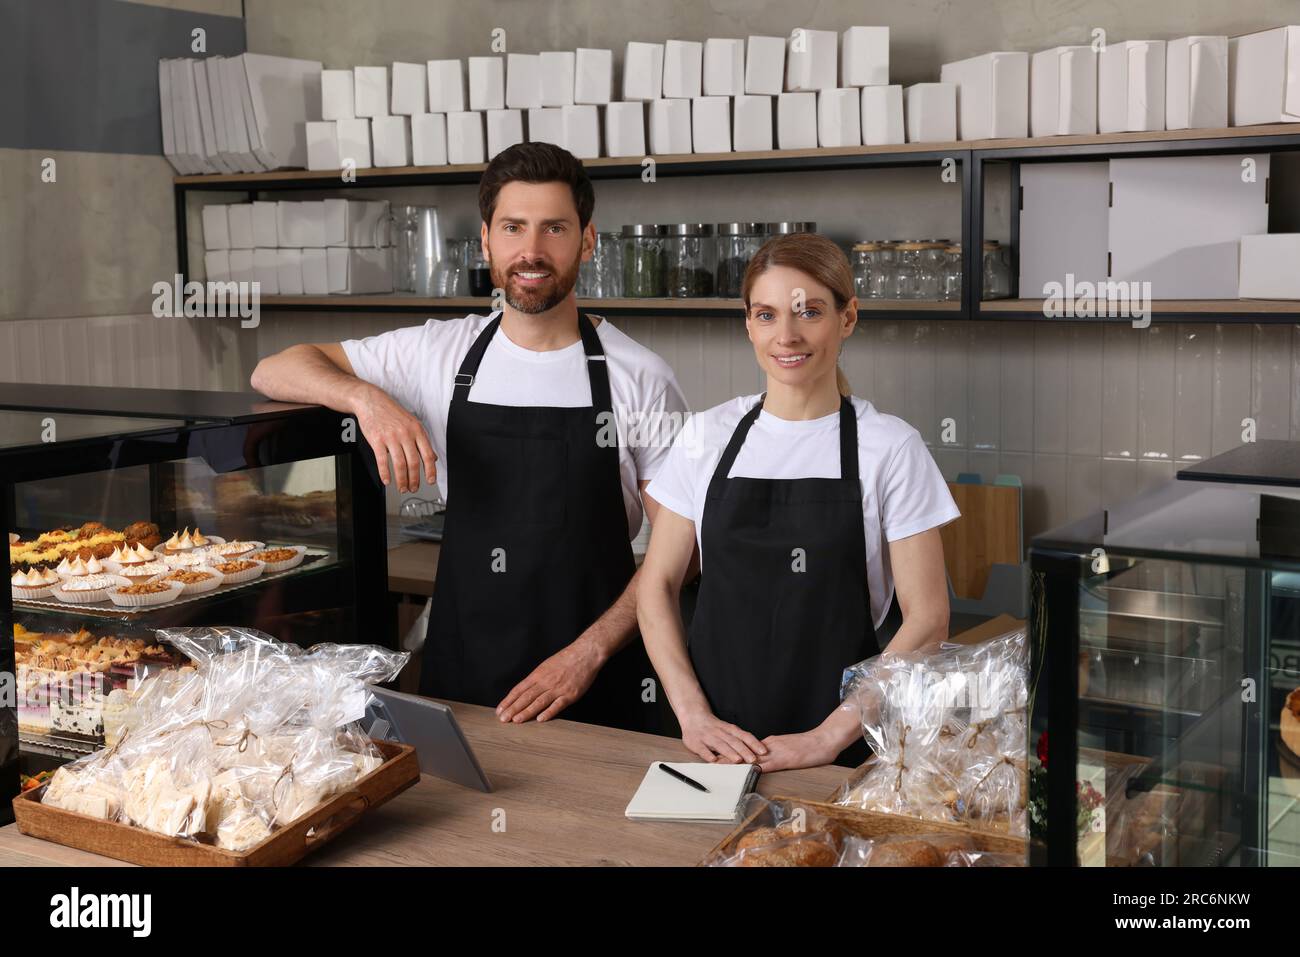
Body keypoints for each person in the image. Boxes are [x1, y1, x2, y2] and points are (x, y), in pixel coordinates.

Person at [251, 142, 688, 733]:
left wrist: (587, 654)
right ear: (486, 240)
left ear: (587, 240)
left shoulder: (639, 376)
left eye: (553, 228)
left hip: (599, 676)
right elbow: (274, 369)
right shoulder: (440, 352)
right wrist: (366, 400)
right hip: (468, 665)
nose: (531, 251)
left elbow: (684, 549)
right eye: (513, 228)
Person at [637, 232, 959, 770]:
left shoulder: (890, 446)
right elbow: (656, 584)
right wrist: (692, 714)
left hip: (840, 743)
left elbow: (928, 620)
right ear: (748, 325)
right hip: (708, 743)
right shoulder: (705, 436)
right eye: (766, 315)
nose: (785, 336)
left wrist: (823, 739)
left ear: (848, 317)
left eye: (808, 312)